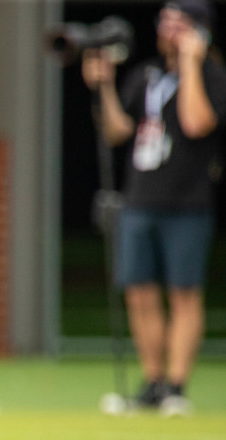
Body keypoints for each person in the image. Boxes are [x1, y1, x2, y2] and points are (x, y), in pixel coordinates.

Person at [82, 0, 226, 416]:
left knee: (184, 293)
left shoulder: (212, 78)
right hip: (139, 198)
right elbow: (117, 131)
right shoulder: (146, 76)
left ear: (200, 31)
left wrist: (192, 64)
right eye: (166, 21)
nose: (170, 30)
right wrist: (104, 86)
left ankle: (177, 387)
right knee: (140, 293)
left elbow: (197, 122)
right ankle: (152, 381)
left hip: (187, 203)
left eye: (181, 24)